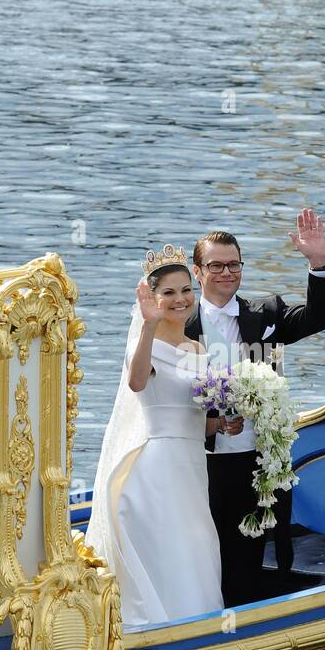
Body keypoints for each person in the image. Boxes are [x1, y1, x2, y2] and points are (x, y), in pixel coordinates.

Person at [185, 209, 325, 608]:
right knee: (204, 560)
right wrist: (213, 423)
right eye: (215, 265)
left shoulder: (265, 314)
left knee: (252, 561)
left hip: (259, 462)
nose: (226, 273)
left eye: (234, 264)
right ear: (197, 271)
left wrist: (317, 262)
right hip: (202, 467)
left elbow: (319, 318)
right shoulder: (181, 326)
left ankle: (250, 635)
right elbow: (162, 400)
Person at [86, 245, 223, 627]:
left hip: (193, 467)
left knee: (197, 548)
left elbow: (199, 419)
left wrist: (225, 421)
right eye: (169, 293)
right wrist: (147, 326)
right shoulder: (142, 345)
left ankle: (199, 630)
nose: (179, 300)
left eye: (185, 291)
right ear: (153, 299)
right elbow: (136, 381)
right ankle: (156, 630)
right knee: (168, 546)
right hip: (159, 466)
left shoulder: (198, 349)